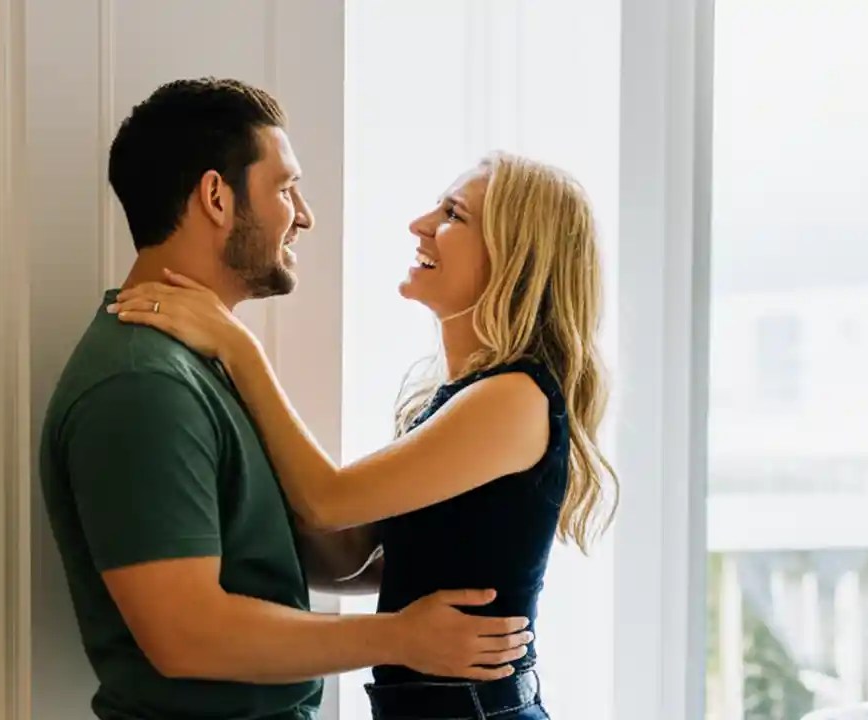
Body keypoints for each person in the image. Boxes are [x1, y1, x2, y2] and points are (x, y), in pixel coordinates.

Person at [38, 78, 532, 720]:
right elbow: (186, 635)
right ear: (216, 197)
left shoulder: (200, 365)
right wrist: (401, 636)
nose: (304, 214)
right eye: (285, 188)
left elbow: (281, 550)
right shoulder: (143, 384)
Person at [107, 151, 620, 719]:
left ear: (515, 256)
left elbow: (328, 501)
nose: (420, 224)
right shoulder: (462, 398)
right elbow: (346, 553)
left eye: (453, 214)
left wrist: (237, 348)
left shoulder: (513, 398)